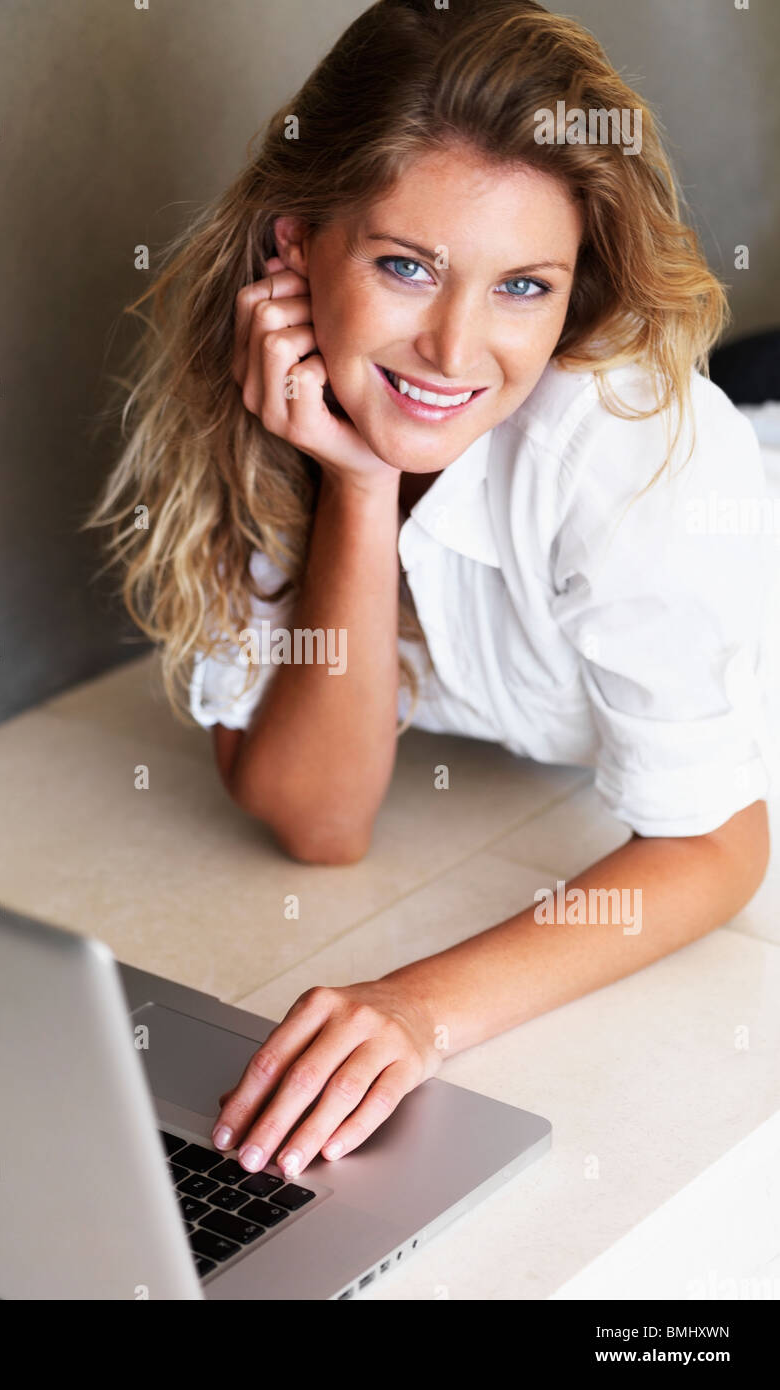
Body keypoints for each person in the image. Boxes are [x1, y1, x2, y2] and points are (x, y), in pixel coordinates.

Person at [86, 0, 778, 1184]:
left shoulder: (623, 445)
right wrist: (356, 485)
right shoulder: (283, 410)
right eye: (406, 266)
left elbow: (714, 843)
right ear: (295, 248)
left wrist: (417, 1010)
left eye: (523, 285)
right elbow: (317, 818)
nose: (453, 352)